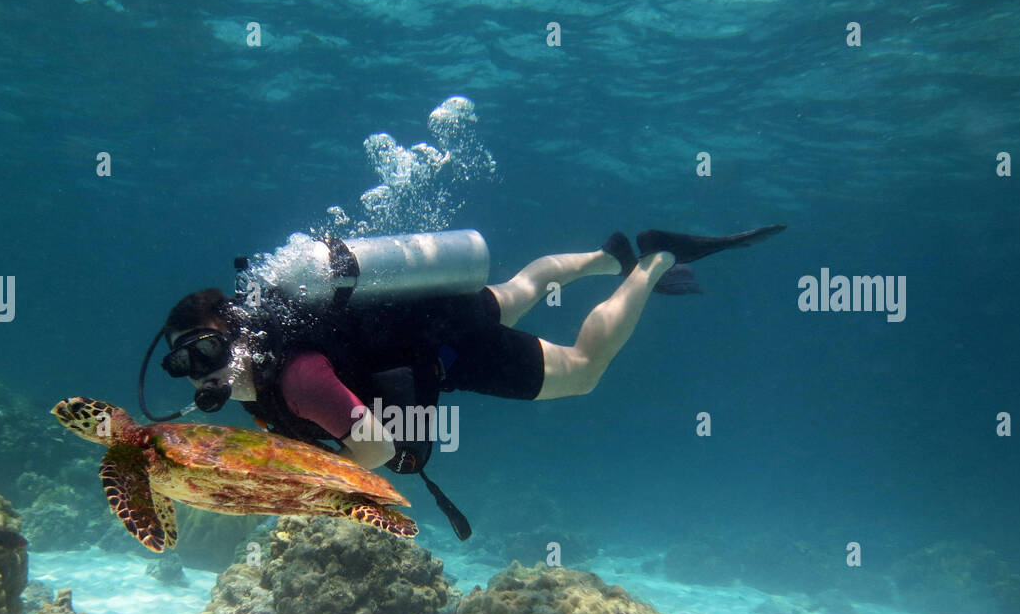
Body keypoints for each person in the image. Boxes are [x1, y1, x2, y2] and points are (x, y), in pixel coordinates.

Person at [139, 225, 784, 538]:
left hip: (451, 345)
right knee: (520, 289)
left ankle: (650, 262)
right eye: (181, 363)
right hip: (430, 315)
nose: (199, 374)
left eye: (203, 352)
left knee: (583, 372)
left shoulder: (299, 377)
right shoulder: (271, 374)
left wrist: (322, 471)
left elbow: (377, 450)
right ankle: (607, 254)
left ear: (237, 336)